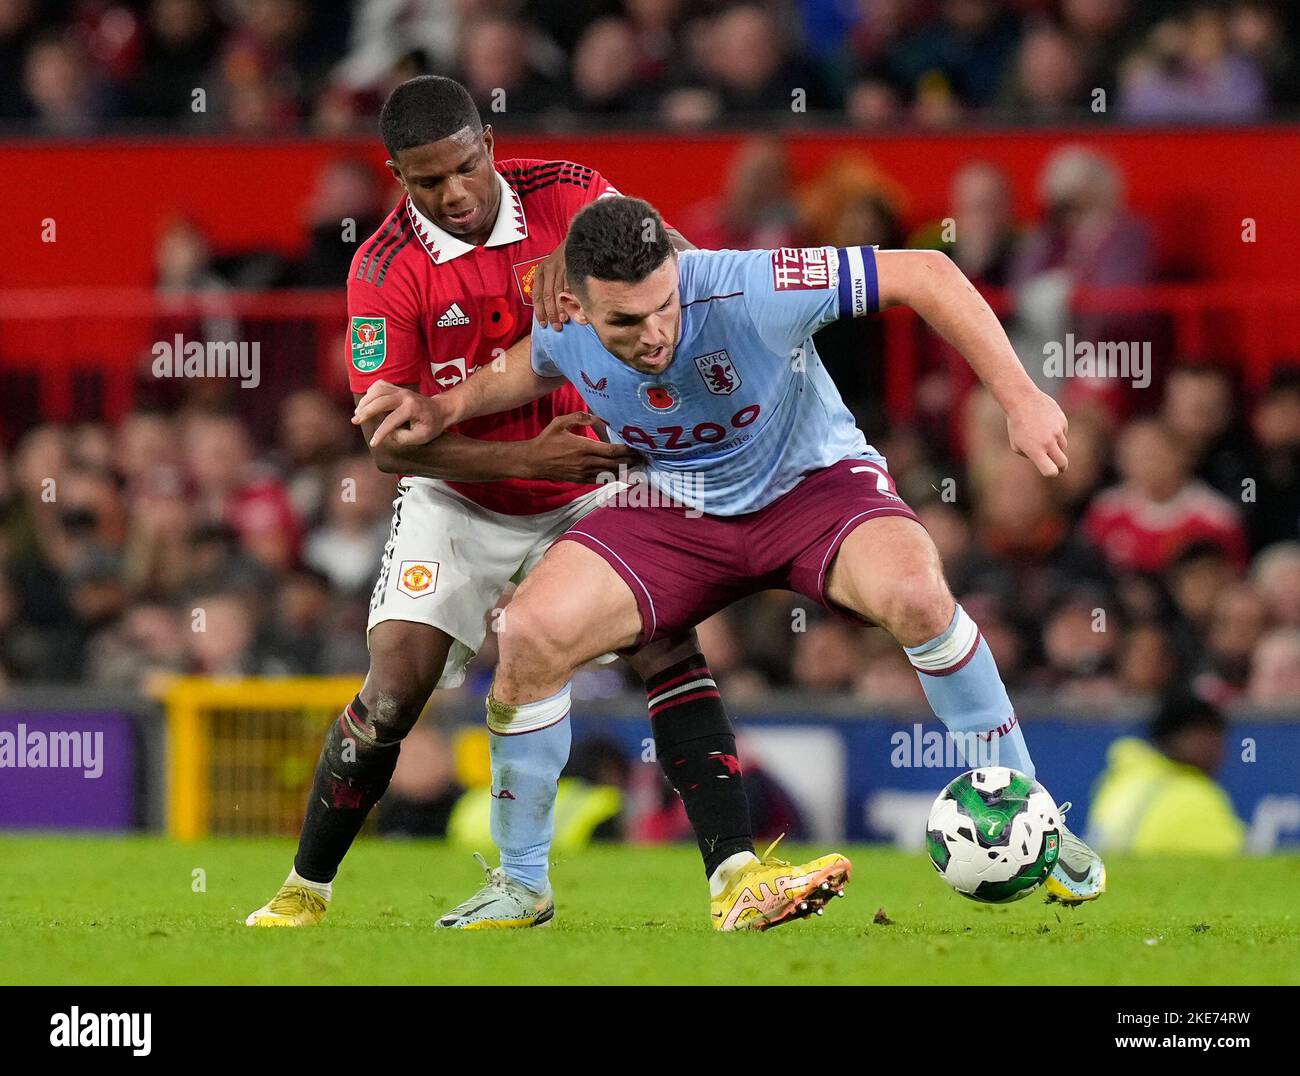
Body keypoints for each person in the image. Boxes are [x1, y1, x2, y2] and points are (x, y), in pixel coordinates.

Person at [357, 194, 1108, 910]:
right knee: (528, 633)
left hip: (814, 488)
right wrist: (445, 406)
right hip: (674, 506)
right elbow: (533, 363)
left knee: (917, 596)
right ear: (577, 307)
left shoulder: (751, 284)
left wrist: (1021, 397)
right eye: (625, 321)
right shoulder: (564, 328)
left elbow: (927, 271)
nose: (654, 333)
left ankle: (1036, 819)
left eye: (663, 306)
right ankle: (521, 885)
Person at [247, 78, 829, 934]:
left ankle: (735, 875)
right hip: (461, 497)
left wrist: (605, 256)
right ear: (395, 176)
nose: (453, 193)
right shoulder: (381, 272)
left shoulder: (573, 194)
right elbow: (389, 444)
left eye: (463, 166)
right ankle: (306, 888)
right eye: (425, 181)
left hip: (594, 481)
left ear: (488, 140)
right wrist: (525, 454)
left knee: (665, 640)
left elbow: (669, 265)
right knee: (395, 687)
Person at [1087, 694, 1245, 855]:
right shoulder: (1196, 793)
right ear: (1178, 737)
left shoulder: (1119, 781)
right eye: (1212, 738)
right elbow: (1231, 861)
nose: (1219, 751)